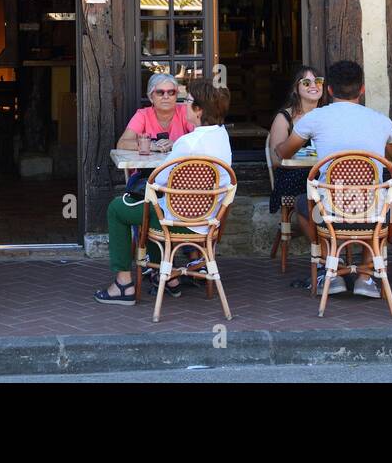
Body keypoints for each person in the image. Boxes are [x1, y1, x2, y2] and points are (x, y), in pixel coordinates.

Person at [278, 60, 392, 300]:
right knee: (388, 205)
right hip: (373, 212)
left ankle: (333, 269)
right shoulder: (380, 120)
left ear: (329, 90)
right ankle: (366, 276)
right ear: (362, 90)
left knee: (301, 203)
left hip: (330, 212)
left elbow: (284, 153)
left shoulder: (315, 118)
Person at [95, 78, 233, 306]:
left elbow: (158, 180)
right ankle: (165, 276)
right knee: (148, 208)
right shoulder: (221, 135)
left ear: (198, 110)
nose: (182, 103)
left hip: (178, 220)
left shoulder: (187, 143)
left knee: (118, 208)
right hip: (209, 219)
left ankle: (123, 284)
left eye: (187, 101)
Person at [267, 65, 326, 216]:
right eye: (306, 82)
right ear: (296, 88)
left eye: (318, 81)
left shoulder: (329, 115)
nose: (313, 86)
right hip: (293, 176)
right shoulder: (284, 117)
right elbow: (275, 159)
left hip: (323, 175)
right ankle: (319, 233)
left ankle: (331, 231)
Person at [116, 71, 195, 154]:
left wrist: (176, 144)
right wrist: (150, 145)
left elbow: (201, 140)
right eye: (160, 92)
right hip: (149, 167)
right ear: (150, 97)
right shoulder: (143, 115)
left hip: (180, 166)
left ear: (176, 96)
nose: (166, 96)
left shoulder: (185, 111)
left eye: (171, 92)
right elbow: (122, 143)